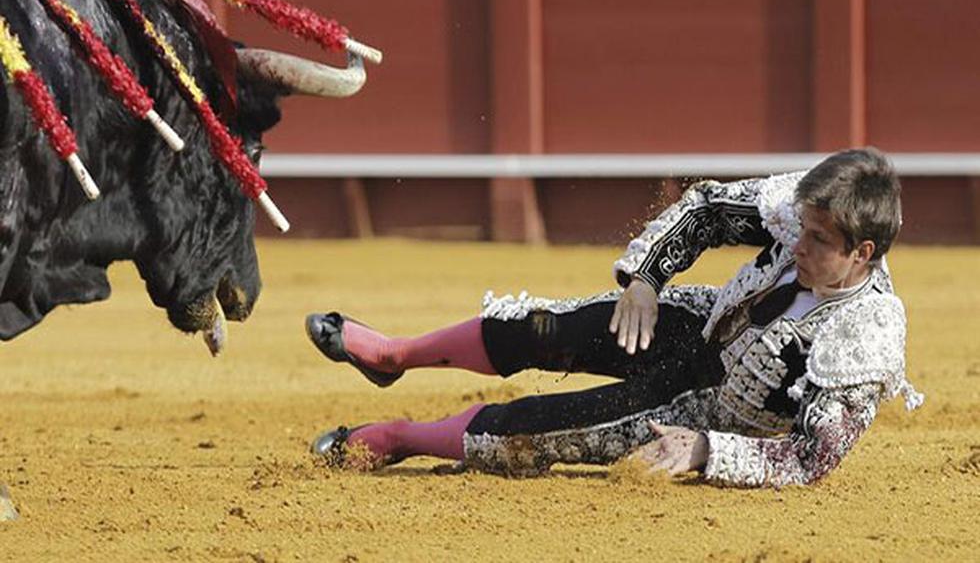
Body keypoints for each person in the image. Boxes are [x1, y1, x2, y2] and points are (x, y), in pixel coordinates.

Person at [305, 147, 923, 487]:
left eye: (816, 241)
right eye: (803, 228)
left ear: (861, 253)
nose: (796, 243)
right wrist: (648, 280)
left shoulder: (867, 333)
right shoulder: (808, 211)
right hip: (699, 323)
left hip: (706, 411)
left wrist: (707, 449)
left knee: (537, 427)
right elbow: (706, 210)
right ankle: (394, 355)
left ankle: (397, 438)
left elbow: (810, 458)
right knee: (541, 328)